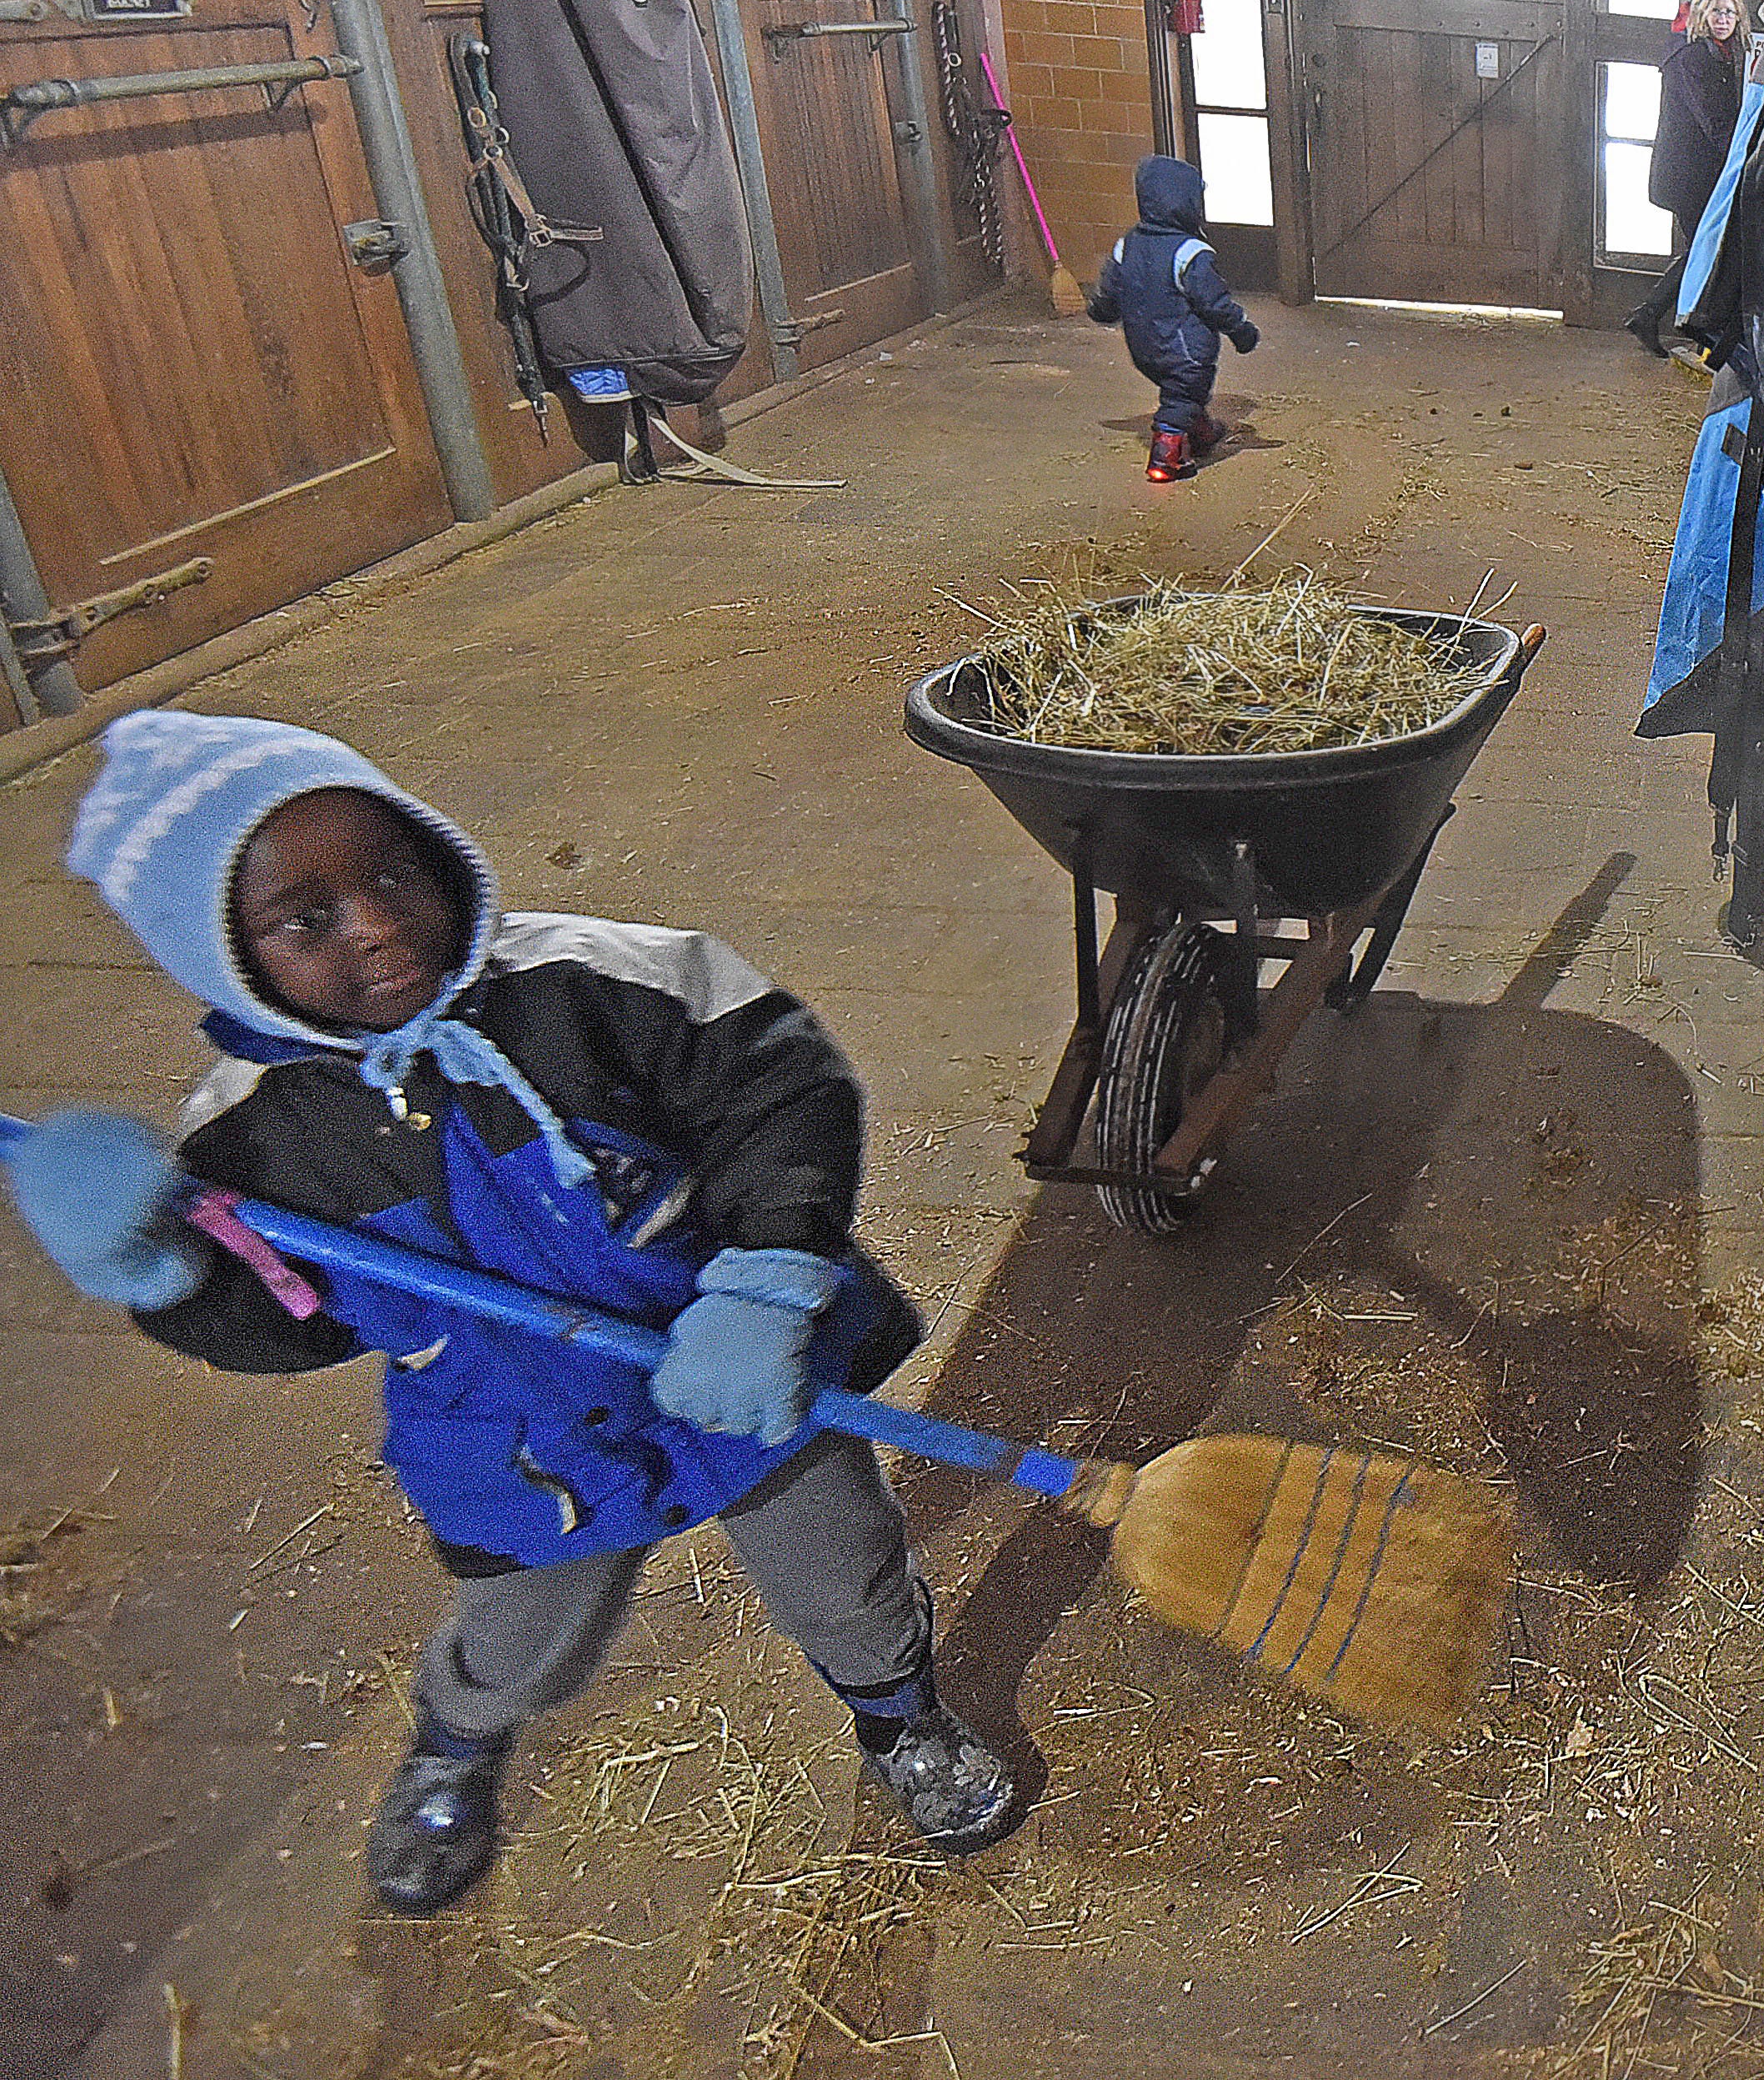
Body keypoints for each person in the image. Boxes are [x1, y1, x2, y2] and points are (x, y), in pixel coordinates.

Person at [2, 711, 1024, 1917]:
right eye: (306, 917)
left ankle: (901, 1720)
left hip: (742, 1373)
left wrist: (770, 1275)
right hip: (521, 1440)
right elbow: (296, 1323)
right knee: (523, 1633)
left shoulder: (593, 983)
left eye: (390, 870)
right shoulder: (249, 1138)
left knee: (845, 1569)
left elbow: (783, 1086)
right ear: (221, 954)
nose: (377, 922)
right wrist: (164, 1273)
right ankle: (458, 1742)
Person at [1087, 153, 1260, 481]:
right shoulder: (1190, 253)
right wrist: (1241, 330)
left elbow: (1110, 289)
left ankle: (1202, 431)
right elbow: (1215, 302)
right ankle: (1166, 457)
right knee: (1184, 391)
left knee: (1180, 392)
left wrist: (1101, 310)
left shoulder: (1127, 246)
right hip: (1186, 351)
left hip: (1143, 349)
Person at [1623, 0, 1748, 360]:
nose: (1722, 18)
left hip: (1701, 173)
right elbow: (1714, 121)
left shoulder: (1725, 55)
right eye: (1715, 10)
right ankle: (1674, 322)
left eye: (1729, 12)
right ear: (1702, 13)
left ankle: (1654, 316)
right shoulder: (1693, 58)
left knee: (1704, 250)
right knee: (1705, 253)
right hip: (1686, 175)